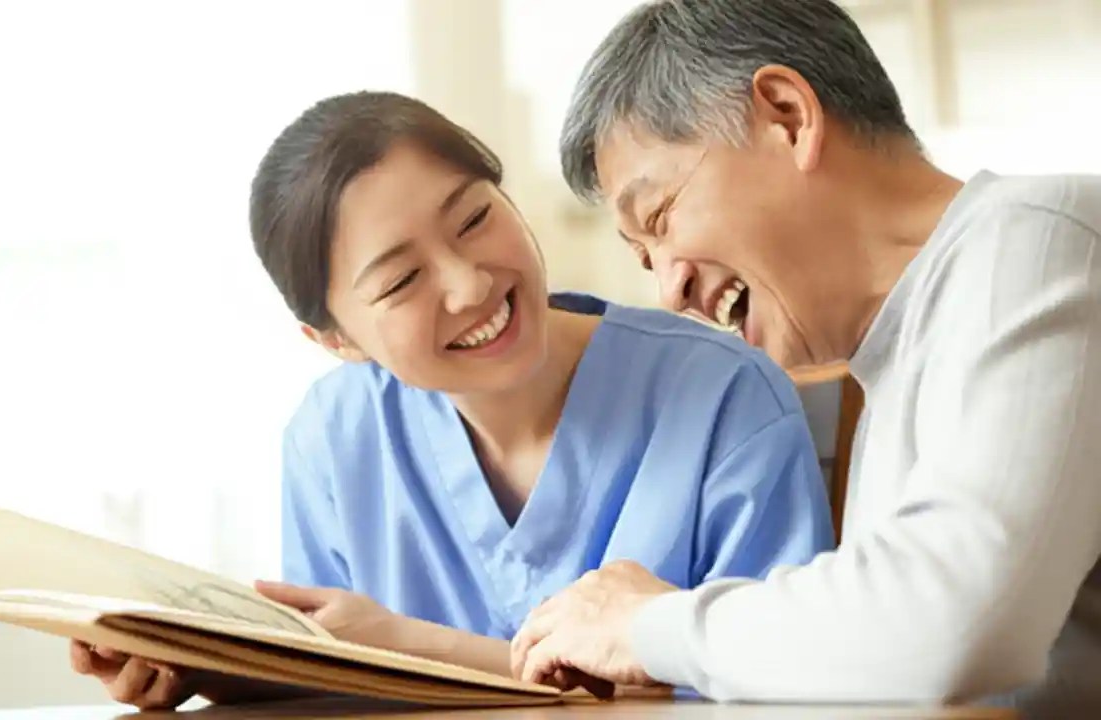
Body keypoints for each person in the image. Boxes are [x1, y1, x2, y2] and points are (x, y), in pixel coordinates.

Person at [70, 90, 834, 710]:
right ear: (335, 338)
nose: (471, 285)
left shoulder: (723, 396)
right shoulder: (334, 436)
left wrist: (410, 643)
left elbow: (787, 688)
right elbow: (341, 682)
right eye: (401, 282)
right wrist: (215, 671)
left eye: (474, 218)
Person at [509, 2, 1101, 718]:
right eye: (644, 256)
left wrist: (645, 625)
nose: (671, 289)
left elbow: (957, 625)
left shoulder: (1041, 239)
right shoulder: (895, 359)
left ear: (787, 117)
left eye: (660, 217)